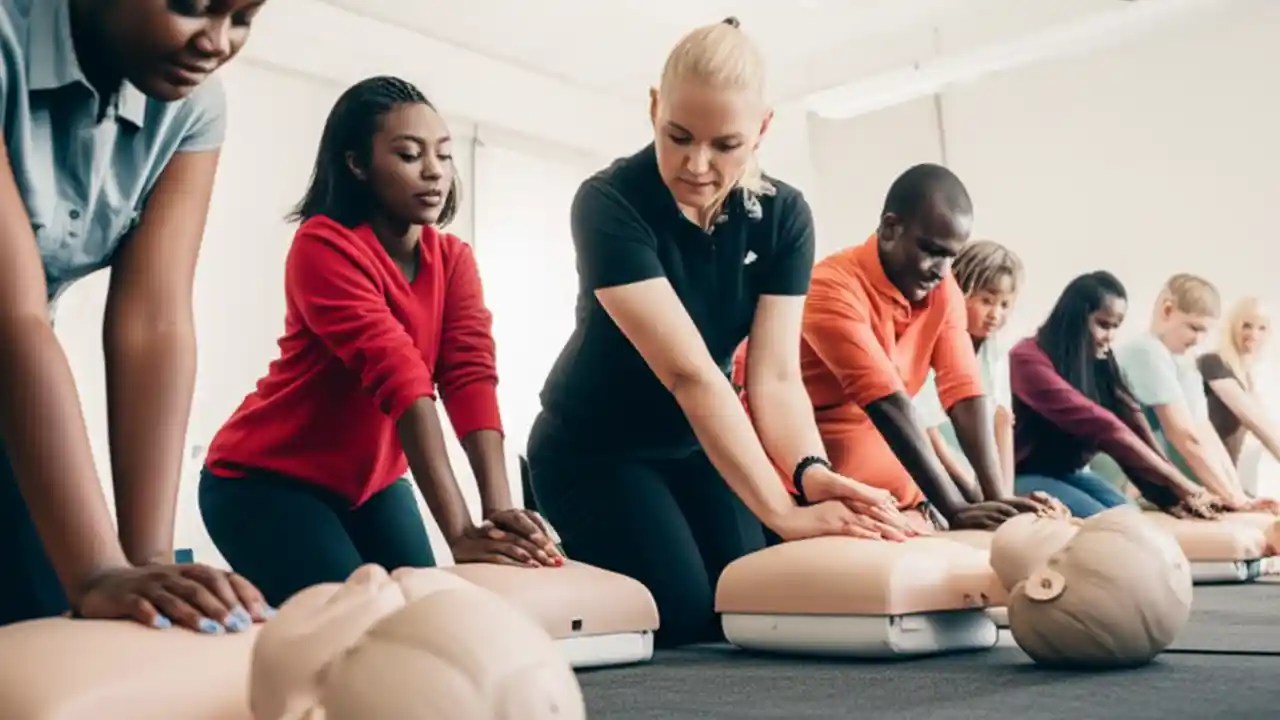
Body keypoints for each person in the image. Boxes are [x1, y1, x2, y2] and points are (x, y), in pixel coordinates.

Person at [525, 17, 912, 648]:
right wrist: (781, 511)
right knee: (681, 614)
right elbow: (692, 374)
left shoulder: (783, 216)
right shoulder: (608, 203)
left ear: (761, 130)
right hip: (596, 449)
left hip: (699, 447)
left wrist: (810, 473)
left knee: (750, 595)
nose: (697, 165)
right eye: (677, 136)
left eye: (725, 144)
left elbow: (777, 376)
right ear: (654, 107)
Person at [199, 76, 560, 609]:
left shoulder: (453, 259)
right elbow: (405, 382)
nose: (434, 170)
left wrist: (499, 514)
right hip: (265, 482)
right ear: (357, 165)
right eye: (410, 155)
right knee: (363, 626)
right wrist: (459, 531)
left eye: (443, 154)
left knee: (425, 615)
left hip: (372, 485)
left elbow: (469, 377)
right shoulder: (323, 245)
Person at [0, 0, 272, 632]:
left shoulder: (194, 107)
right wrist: (97, 570)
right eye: (192, 7)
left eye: (243, 18)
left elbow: (153, 322)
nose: (216, 42)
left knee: (50, 621)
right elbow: (12, 316)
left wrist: (147, 561)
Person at [737, 165, 1056, 534]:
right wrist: (954, 507)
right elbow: (886, 402)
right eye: (932, 251)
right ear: (890, 229)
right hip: (808, 464)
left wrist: (997, 501)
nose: (941, 270)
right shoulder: (832, 286)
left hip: (894, 473)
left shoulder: (943, 289)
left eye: (951, 256)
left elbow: (964, 392)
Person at [1009, 271, 1218, 519]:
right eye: (1103, 324)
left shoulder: (1098, 360)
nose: (1110, 336)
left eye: (1115, 326)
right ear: (1076, 318)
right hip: (1024, 475)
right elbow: (1103, 427)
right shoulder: (1026, 359)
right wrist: (1187, 486)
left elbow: (1132, 421)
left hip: (1071, 474)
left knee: (1133, 518)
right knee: (1111, 526)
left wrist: (1170, 497)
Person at [1113, 275, 1277, 513]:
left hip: (1150, 481)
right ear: (1167, 311)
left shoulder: (1184, 362)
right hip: (1116, 479)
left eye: (1204, 331)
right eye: (1193, 327)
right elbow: (1183, 436)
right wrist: (1235, 500)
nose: (1198, 339)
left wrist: (1239, 496)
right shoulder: (1146, 352)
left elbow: (1203, 431)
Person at [912, 239, 1022, 500]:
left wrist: (1005, 497)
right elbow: (928, 431)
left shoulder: (994, 349)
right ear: (960, 292)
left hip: (976, 467)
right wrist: (972, 491)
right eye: (986, 300)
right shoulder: (932, 339)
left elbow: (1002, 422)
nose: (996, 314)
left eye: (1005, 305)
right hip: (933, 463)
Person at [1197, 297, 1280, 484]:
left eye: (1262, 328)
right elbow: (1256, 422)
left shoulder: (1247, 378)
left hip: (1223, 481)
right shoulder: (1213, 363)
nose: (1254, 334)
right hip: (1198, 480)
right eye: (1247, 325)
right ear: (1233, 326)